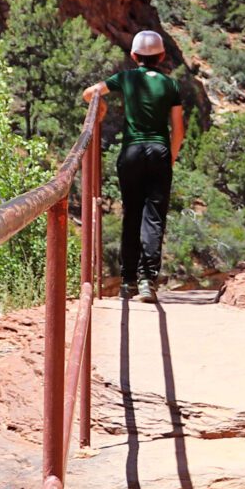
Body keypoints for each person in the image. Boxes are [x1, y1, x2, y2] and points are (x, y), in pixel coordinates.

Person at [84, 30, 185, 303]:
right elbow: (179, 130)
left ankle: (127, 281)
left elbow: (89, 94)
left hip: (130, 153)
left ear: (133, 55)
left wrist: (100, 106)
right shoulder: (170, 85)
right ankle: (146, 281)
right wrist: (170, 157)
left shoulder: (125, 78)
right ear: (162, 56)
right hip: (159, 151)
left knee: (132, 214)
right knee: (154, 217)